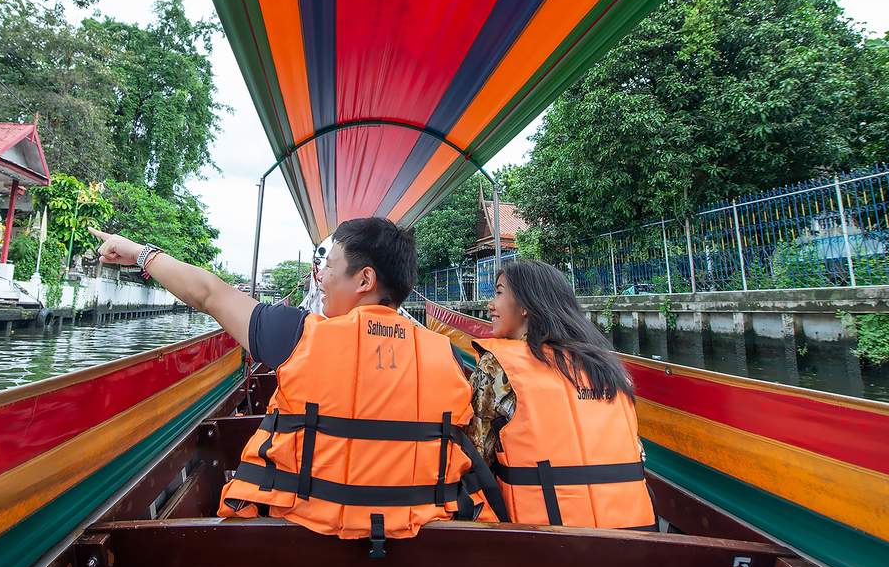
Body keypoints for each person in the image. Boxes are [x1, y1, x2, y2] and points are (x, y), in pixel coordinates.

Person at [91, 217, 506, 545]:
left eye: (330, 267)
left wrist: (138, 253)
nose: (320, 278)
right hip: (422, 551)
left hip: (292, 545)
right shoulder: (450, 357)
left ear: (364, 280)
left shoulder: (297, 334)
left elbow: (209, 294)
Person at [468, 260, 655, 530]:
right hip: (633, 533)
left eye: (498, 292)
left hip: (543, 538)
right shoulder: (609, 369)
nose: (490, 304)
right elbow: (637, 454)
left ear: (525, 307)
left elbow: (476, 456)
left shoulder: (498, 366)